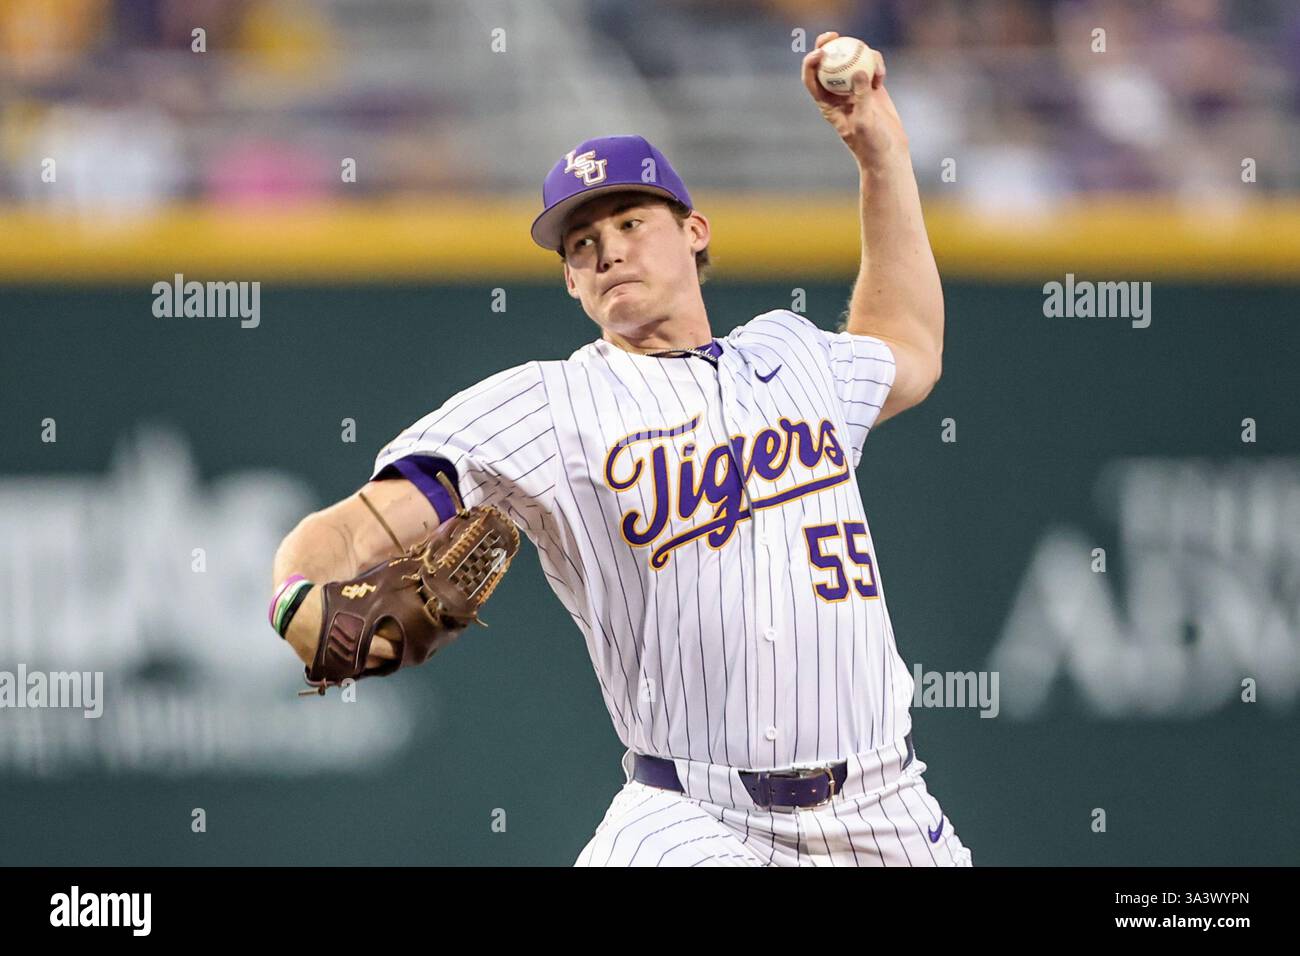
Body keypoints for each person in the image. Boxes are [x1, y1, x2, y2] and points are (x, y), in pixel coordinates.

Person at [270, 31, 970, 866]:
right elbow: (358, 523)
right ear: (571, 282)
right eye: (581, 245)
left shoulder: (793, 356)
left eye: (630, 221)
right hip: (697, 816)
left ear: (695, 231)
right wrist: (295, 594)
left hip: (884, 804)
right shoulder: (550, 404)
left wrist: (880, 151)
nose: (607, 249)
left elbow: (910, 345)